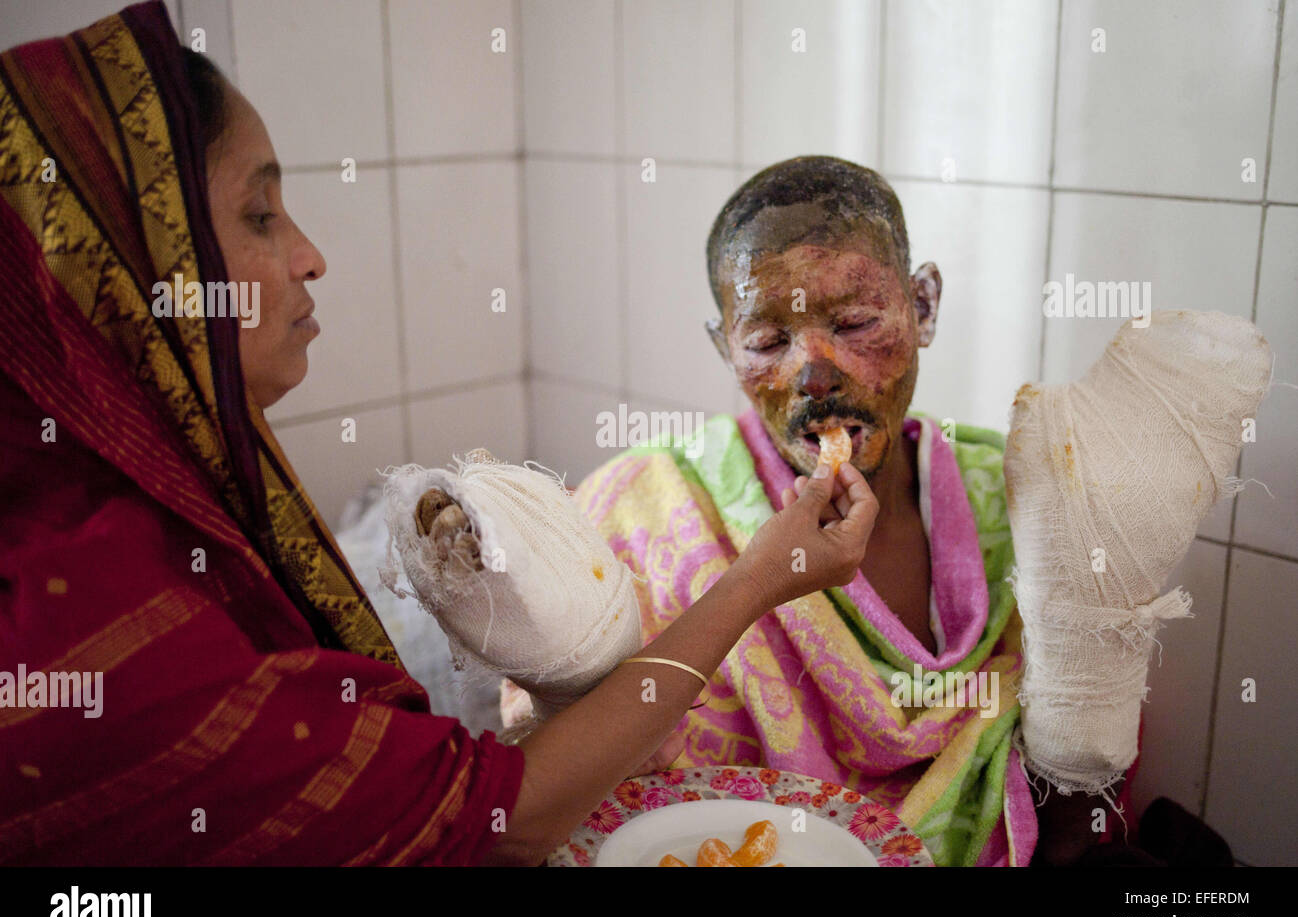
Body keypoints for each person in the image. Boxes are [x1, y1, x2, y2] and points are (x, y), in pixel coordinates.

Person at [0, 2, 874, 866]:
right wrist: (761, 578)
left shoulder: (151, 525)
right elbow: (500, 820)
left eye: (863, 320)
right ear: (137, 273)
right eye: (259, 215)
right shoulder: (104, 643)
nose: (310, 255)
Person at [567, 156, 1134, 866]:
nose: (813, 373)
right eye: (768, 342)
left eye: (857, 322)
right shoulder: (637, 514)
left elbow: (1085, 769)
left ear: (922, 306)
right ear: (724, 347)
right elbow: (560, 778)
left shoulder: (1027, 506)